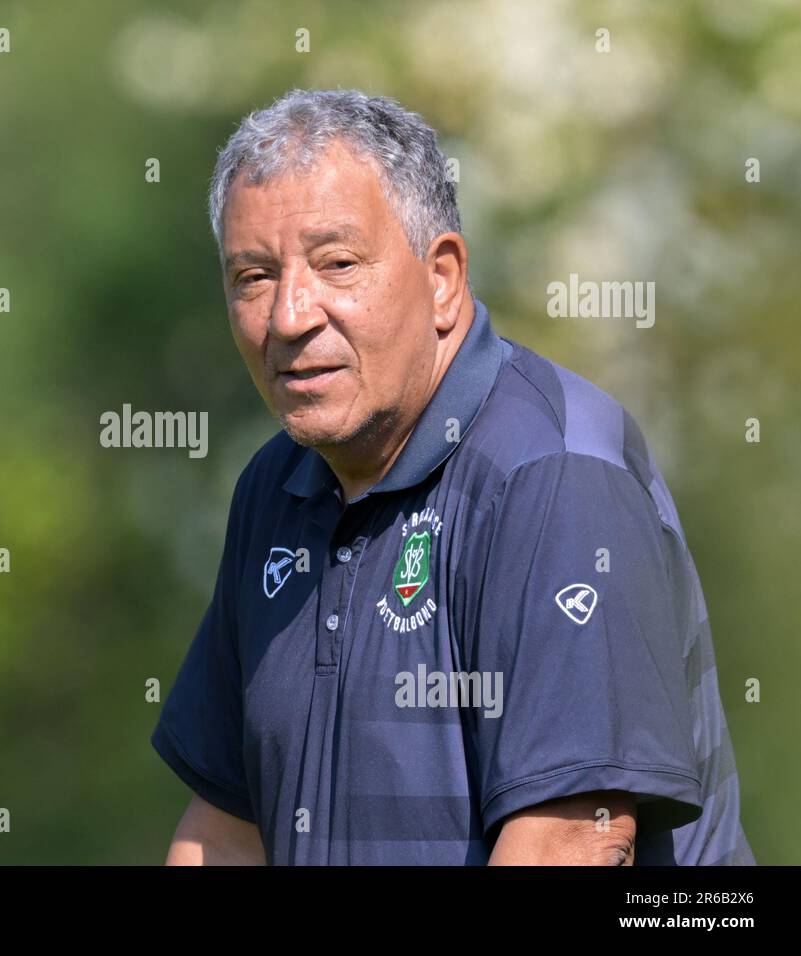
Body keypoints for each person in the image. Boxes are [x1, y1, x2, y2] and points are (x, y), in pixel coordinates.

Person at [150, 88, 754, 865]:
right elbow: (226, 831)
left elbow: (571, 839)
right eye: (252, 277)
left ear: (442, 278)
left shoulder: (554, 473)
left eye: (337, 264)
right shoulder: (276, 486)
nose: (290, 315)